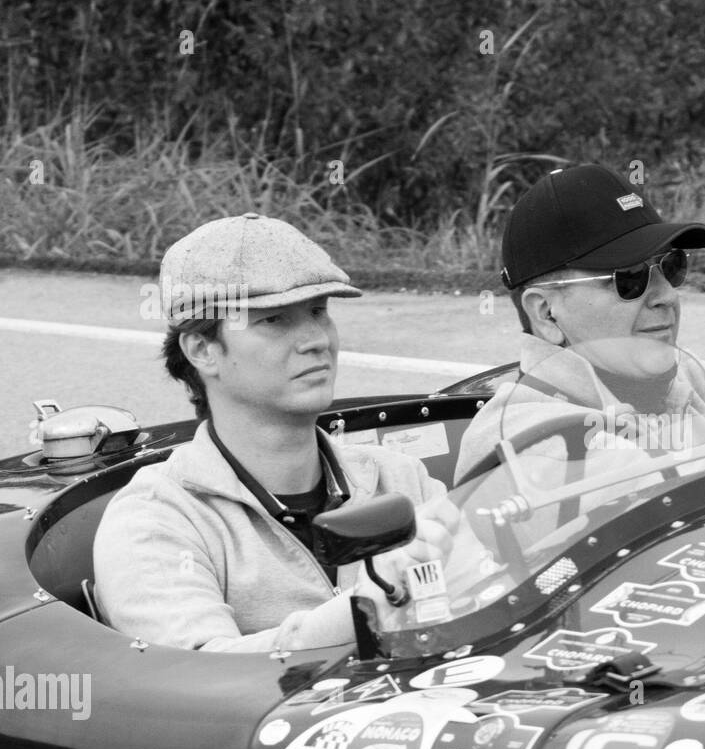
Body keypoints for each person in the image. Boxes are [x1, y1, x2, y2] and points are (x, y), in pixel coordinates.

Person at [94, 213, 483, 652]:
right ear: (202, 349)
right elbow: (201, 669)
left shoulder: (401, 479)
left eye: (319, 312)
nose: (317, 340)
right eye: (275, 320)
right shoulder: (155, 518)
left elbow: (490, 602)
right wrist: (368, 606)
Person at [453, 163, 705, 486]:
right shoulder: (530, 440)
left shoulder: (699, 384)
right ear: (546, 314)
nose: (666, 295)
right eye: (628, 278)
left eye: (671, 267)